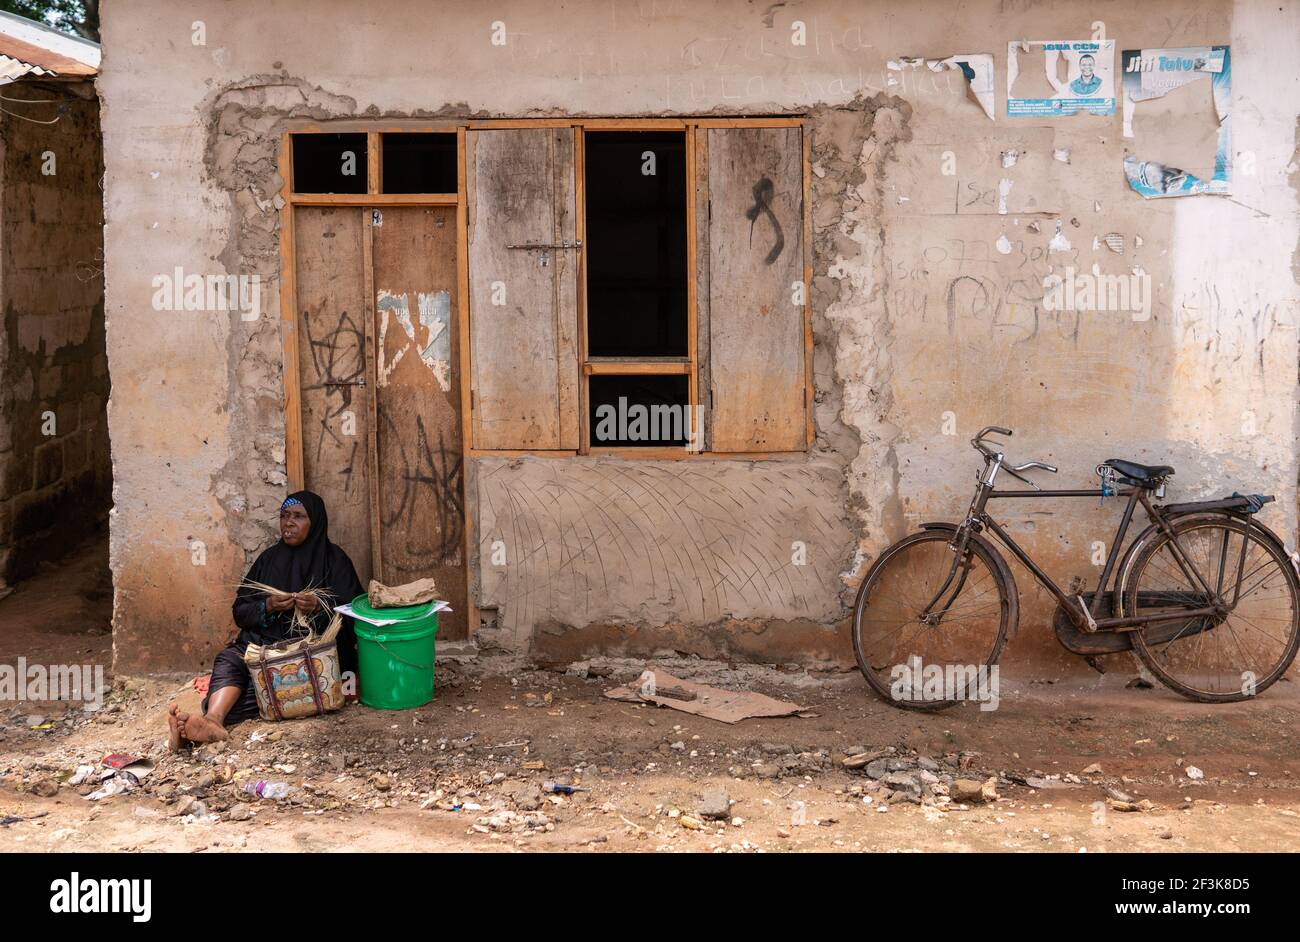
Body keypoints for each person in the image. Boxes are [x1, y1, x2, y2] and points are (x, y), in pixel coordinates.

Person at [169, 491, 363, 749]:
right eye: (284, 516)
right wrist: (267, 606)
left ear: (315, 522)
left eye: (298, 516)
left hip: (308, 656)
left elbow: (354, 613)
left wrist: (320, 606)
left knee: (279, 690)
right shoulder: (268, 560)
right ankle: (213, 720)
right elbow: (240, 612)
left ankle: (208, 720)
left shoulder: (334, 560)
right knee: (229, 660)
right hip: (264, 648)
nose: (288, 522)